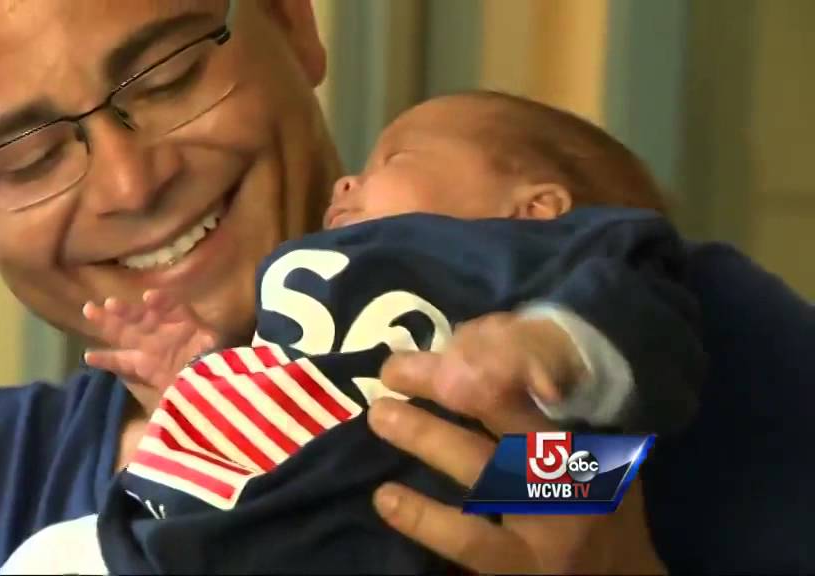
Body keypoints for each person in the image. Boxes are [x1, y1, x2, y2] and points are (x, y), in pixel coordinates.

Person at [0, 0, 811, 574]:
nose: (132, 183)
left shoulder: (685, 326)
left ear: (290, 21)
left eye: (171, 74)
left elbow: (594, 469)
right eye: (28, 155)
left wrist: (600, 543)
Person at [61, 93, 705, 574]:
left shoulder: (561, 257)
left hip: (376, 533)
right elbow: (303, 404)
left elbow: (623, 428)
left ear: (535, 209)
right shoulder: (320, 294)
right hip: (214, 530)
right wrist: (204, 378)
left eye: (392, 159)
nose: (348, 181)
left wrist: (548, 346)